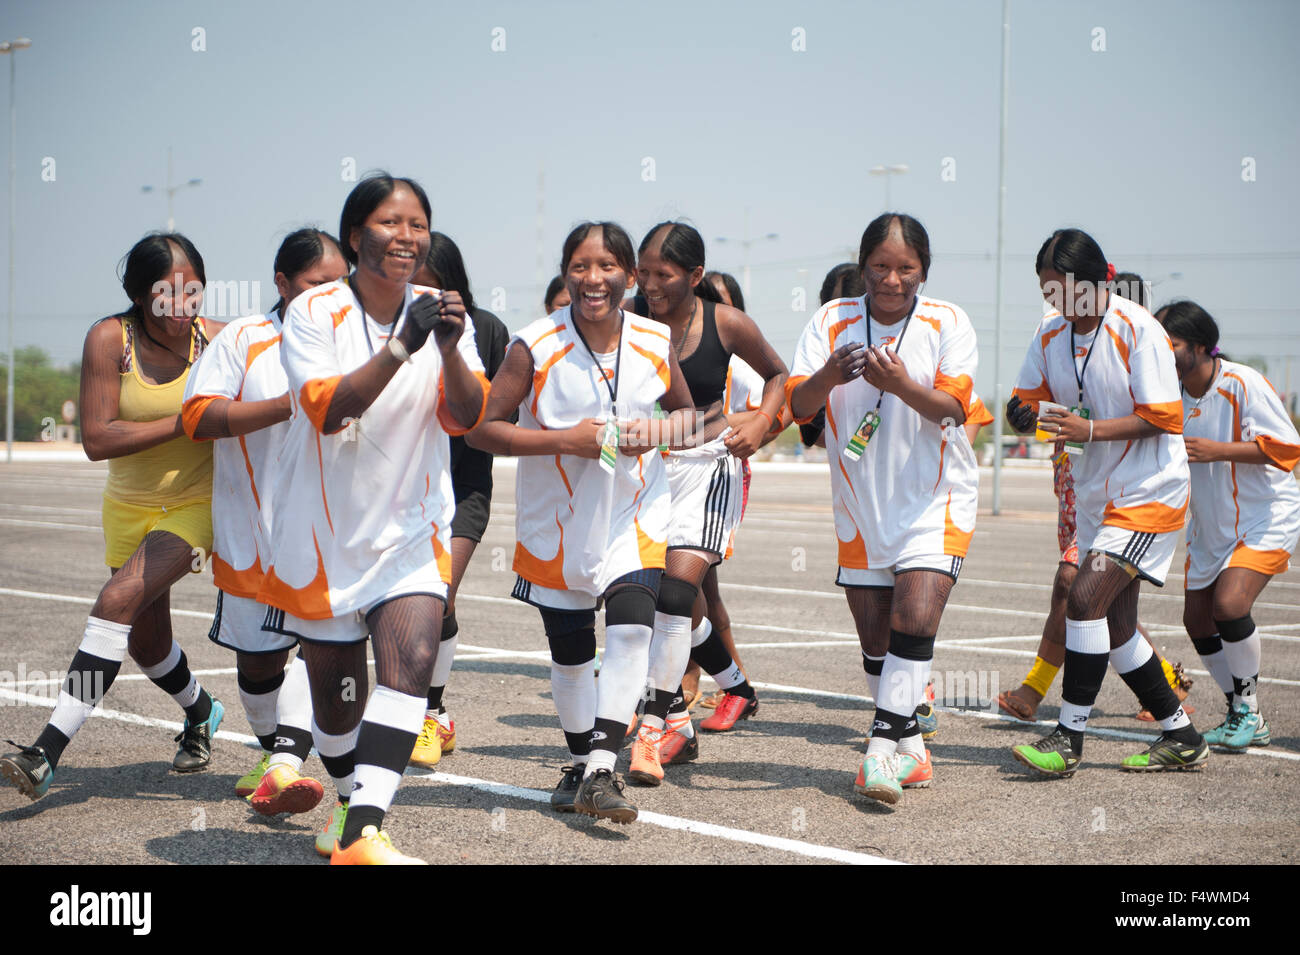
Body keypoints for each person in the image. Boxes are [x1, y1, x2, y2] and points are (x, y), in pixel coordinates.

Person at [258, 173, 488, 864]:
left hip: (411, 526)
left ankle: (362, 831)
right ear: (356, 234)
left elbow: (467, 415)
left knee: (412, 658)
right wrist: (398, 348)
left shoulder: (444, 312)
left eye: (418, 223)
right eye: (391, 222)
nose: (407, 236)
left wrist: (446, 346)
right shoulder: (313, 312)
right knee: (336, 696)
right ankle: (345, 801)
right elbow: (329, 410)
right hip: (324, 535)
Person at [468, 221, 711, 822]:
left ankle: (602, 767)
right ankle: (581, 763)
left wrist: (655, 431)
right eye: (580, 266)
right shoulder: (534, 345)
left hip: (634, 511)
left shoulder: (654, 340)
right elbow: (482, 430)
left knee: (632, 630)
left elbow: (692, 417)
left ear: (629, 277)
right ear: (565, 273)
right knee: (572, 655)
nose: (592, 279)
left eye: (606, 267)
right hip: (559, 520)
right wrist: (564, 441)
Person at [1, 234, 224, 800]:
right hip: (127, 508)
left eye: (191, 291)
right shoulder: (109, 339)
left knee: (115, 601)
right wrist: (186, 421)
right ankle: (203, 711)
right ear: (138, 295)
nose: (181, 306)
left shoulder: (219, 342)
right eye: (165, 294)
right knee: (148, 645)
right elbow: (98, 438)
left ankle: (45, 752)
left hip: (198, 505)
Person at [788, 213, 977, 807]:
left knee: (915, 619)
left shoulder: (949, 321)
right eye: (880, 267)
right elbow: (798, 407)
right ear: (863, 264)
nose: (892, 280)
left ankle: (877, 755)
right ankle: (913, 750)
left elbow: (952, 409)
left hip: (935, 498)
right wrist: (826, 375)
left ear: (924, 269)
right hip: (860, 503)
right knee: (878, 643)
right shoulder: (831, 319)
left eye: (906, 269)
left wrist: (899, 386)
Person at [1007, 228, 1207, 777]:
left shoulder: (1138, 329)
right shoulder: (1049, 335)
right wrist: (1023, 413)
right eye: (1048, 293)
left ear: (1096, 280)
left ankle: (1068, 739)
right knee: (1117, 628)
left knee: (1083, 597)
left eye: (1063, 292)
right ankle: (1183, 736)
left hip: (1148, 493)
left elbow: (1163, 416)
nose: (1056, 304)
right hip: (1098, 495)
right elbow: (1023, 399)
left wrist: (1088, 430)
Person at [181, 229, 349, 817]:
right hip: (250, 534)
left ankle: (289, 763)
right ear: (282, 283)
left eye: (340, 285)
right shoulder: (244, 340)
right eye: (316, 285)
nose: (331, 297)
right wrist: (290, 403)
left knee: (318, 650)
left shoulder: (354, 341)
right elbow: (199, 418)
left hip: (324, 537)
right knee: (257, 663)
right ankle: (271, 750)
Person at [626, 222, 788, 788]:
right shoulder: (626, 316)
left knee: (676, 594)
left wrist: (764, 419)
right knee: (642, 601)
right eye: (642, 272)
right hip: (647, 469)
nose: (649, 284)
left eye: (663, 274)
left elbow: (778, 375)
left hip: (706, 469)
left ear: (694, 276)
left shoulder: (726, 322)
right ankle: (707, 701)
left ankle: (651, 731)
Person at [1156, 299, 1299, 750]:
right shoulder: (1168, 393)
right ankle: (1241, 709)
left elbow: (1288, 448)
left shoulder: (1242, 382)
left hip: (1264, 514)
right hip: (1210, 523)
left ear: (1200, 347)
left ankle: (1249, 710)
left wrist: (1219, 450)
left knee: (1230, 606)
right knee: (1197, 619)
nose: (1162, 352)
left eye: (1171, 343)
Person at [406, 233, 510, 770]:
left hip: (464, 485)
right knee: (410, 605)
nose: (415, 287)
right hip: (401, 488)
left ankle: (430, 714)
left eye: (427, 277)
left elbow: (497, 415)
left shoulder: (486, 329)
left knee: (438, 594)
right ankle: (426, 712)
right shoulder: (386, 327)